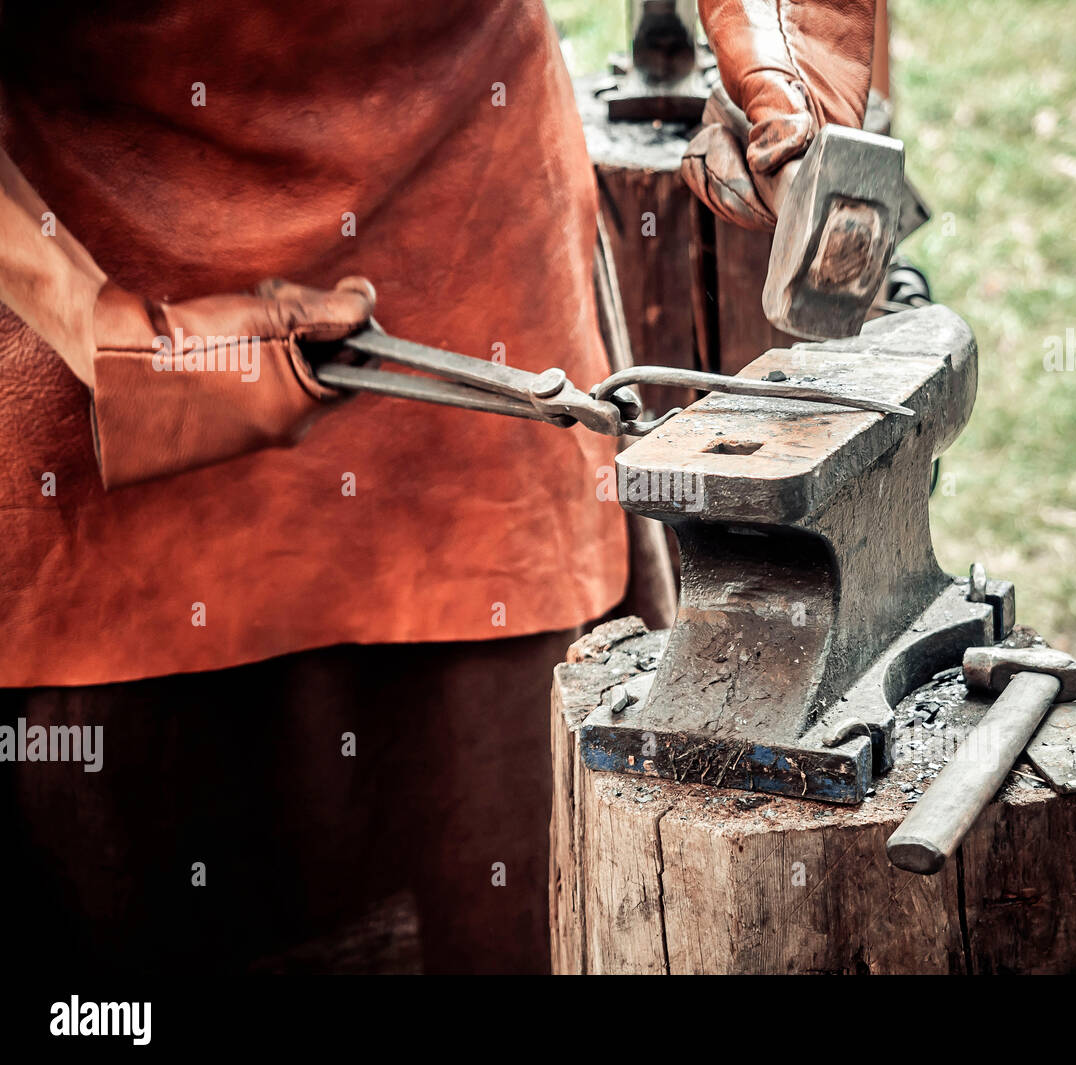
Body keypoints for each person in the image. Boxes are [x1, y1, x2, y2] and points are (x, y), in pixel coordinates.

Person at [0, 0, 879, 973]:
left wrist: (785, 70)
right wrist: (104, 333)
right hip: (90, 324)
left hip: (464, 248)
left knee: (506, 861)